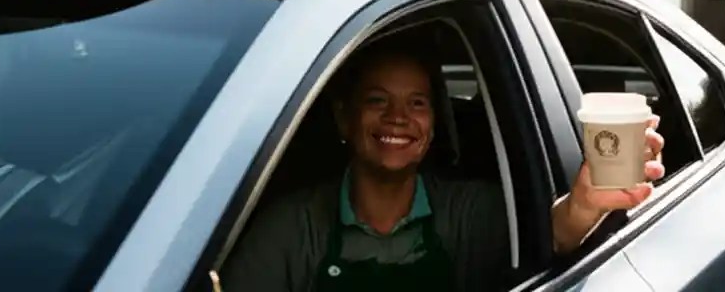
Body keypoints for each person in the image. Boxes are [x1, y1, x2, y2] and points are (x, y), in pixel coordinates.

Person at [220, 43, 665, 291]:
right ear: (344, 118)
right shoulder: (288, 230)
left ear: (433, 126)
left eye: (417, 103)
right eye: (378, 101)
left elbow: (549, 234)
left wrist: (587, 202)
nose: (398, 117)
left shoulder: (469, 210)